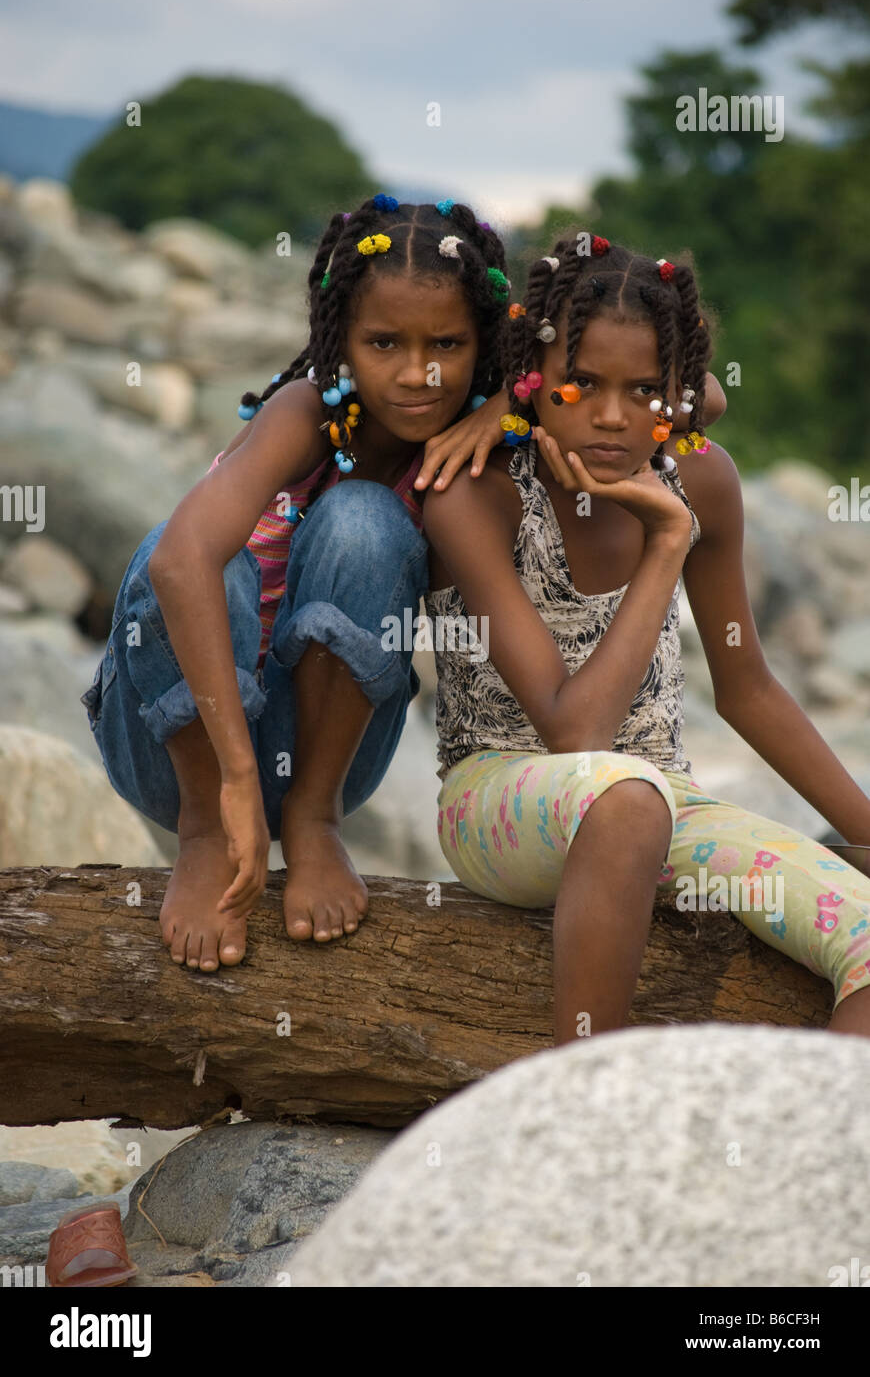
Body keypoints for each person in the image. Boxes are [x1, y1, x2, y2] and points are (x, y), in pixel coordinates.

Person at [421, 232, 870, 1046]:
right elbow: (576, 734)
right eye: (580, 383)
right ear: (533, 380)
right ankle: (584, 1105)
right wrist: (667, 544)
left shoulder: (699, 476)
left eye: (644, 391)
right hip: (500, 800)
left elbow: (749, 689)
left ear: (679, 394)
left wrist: (867, 833)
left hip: (665, 805)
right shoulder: (480, 494)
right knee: (625, 798)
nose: (611, 417)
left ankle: (792, 1163)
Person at [80, 194, 517, 972]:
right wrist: (235, 785)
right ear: (340, 342)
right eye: (384, 342)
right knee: (177, 549)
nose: (418, 373)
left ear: (485, 343)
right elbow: (180, 565)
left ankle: (314, 823)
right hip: (178, 747)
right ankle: (205, 839)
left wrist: (516, 402)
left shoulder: (481, 427)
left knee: (365, 520)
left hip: (325, 757)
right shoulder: (306, 410)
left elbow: (692, 392)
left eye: (446, 344)